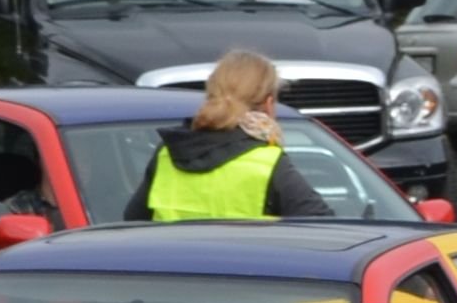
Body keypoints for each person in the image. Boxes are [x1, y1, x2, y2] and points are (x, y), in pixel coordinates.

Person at [130, 53, 331, 220]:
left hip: (172, 258)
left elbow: (134, 220)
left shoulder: (167, 154)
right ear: (269, 104)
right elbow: (322, 227)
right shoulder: (266, 163)